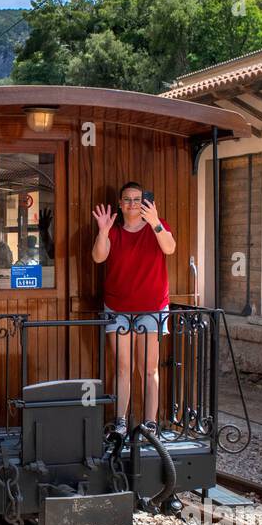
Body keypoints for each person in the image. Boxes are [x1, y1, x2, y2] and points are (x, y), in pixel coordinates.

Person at [91, 182, 176, 438]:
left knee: (149, 369)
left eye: (137, 199)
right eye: (127, 199)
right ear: (120, 203)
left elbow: (170, 248)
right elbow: (98, 257)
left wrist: (155, 223)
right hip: (118, 308)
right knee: (123, 367)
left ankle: (150, 424)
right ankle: (120, 423)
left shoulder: (156, 227)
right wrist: (103, 231)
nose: (132, 203)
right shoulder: (114, 232)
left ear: (145, 201)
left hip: (152, 308)